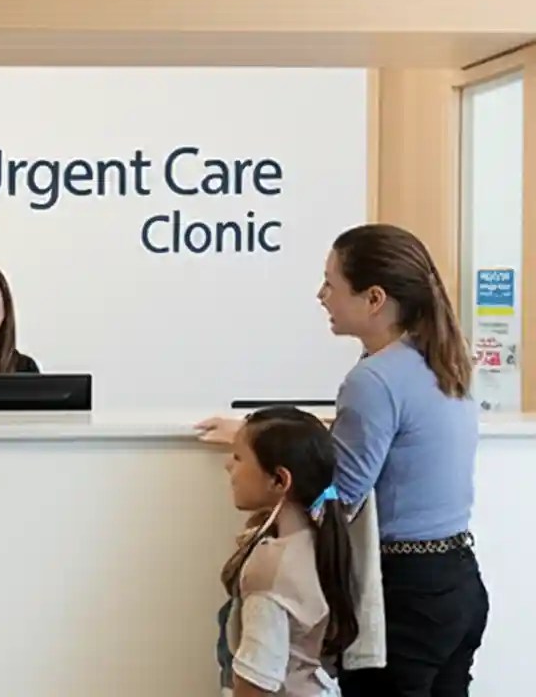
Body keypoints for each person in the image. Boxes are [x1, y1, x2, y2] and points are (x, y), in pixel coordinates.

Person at [198, 224, 488, 696]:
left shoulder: (373, 380)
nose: (321, 295)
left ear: (374, 298)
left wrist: (268, 455)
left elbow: (338, 498)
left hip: (403, 595)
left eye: (331, 283)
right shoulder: (445, 362)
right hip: (459, 582)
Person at [218, 406, 357, 696]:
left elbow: (256, 681)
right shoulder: (319, 537)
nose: (228, 466)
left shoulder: (271, 567)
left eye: (238, 457)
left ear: (279, 480)